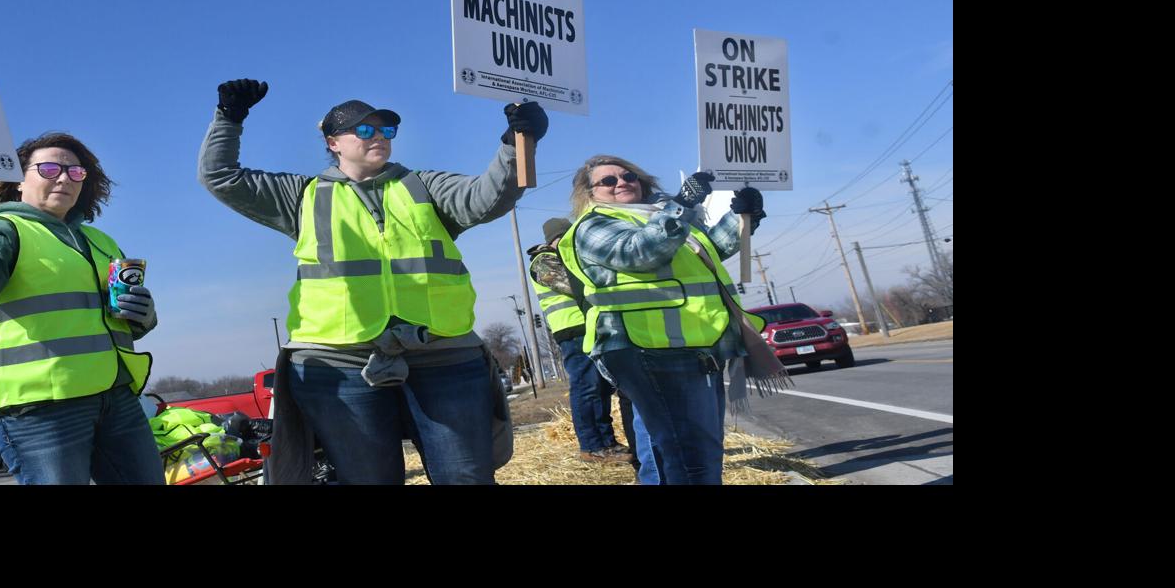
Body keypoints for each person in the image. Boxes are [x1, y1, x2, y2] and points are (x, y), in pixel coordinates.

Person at [199, 79, 544, 484]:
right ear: (333, 143)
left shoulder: (424, 186)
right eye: (364, 129)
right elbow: (219, 177)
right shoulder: (301, 195)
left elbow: (489, 197)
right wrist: (229, 118)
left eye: (386, 130)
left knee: (466, 477)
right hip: (338, 362)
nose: (378, 136)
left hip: (443, 354)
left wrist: (516, 141)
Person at [0, 132, 163, 485]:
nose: (64, 177)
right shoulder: (0, 229)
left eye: (75, 172)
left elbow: (107, 319)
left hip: (114, 396)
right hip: (38, 408)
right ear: (18, 181)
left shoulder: (100, 241)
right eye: (49, 168)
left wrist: (144, 315)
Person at [556, 157, 790, 484]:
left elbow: (710, 248)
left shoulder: (657, 216)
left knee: (695, 450)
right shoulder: (593, 225)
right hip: (647, 350)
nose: (621, 182)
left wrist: (743, 216)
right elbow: (638, 252)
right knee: (685, 456)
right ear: (590, 193)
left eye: (628, 176)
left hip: (694, 346)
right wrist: (681, 205)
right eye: (607, 181)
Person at [527, 217, 632, 466]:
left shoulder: (564, 257)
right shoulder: (543, 262)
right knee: (587, 387)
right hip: (572, 331)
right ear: (555, 240)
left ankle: (607, 442)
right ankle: (592, 446)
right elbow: (578, 285)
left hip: (590, 327)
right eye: (567, 236)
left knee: (601, 387)